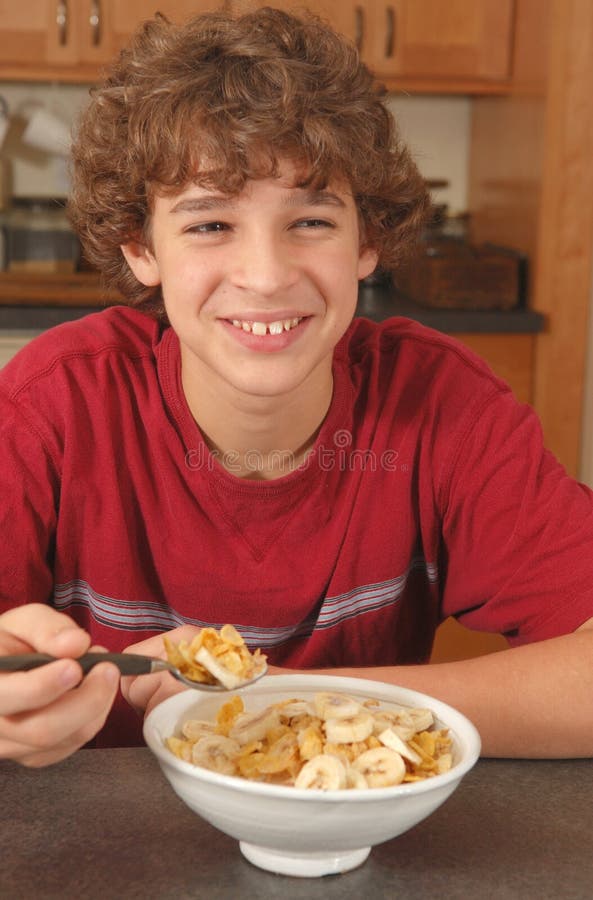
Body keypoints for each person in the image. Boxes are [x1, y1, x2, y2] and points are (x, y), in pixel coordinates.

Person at [1, 6, 593, 769]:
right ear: (141, 248)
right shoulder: (51, 406)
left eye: (310, 220)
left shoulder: (443, 405)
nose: (266, 275)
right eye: (209, 225)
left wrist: (274, 698)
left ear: (366, 240)